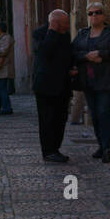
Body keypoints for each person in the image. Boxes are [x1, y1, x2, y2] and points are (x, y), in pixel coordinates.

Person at [73, 2, 110, 161]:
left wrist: (101, 54)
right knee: (94, 114)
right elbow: (73, 52)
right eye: (91, 13)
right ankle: (101, 146)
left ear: (104, 15)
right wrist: (86, 56)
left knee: (104, 113)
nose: (94, 16)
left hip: (106, 79)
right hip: (88, 80)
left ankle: (107, 148)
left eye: (98, 12)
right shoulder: (82, 33)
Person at [32, 9, 74, 163]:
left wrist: (72, 67)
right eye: (64, 24)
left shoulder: (66, 35)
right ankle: (48, 151)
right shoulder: (40, 33)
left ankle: (56, 148)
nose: (67, 26)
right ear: (55, 23)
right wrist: (52, 31)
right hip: (45, 85)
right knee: (47, 120)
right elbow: (44, 52)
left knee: (60, 119)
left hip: (63, 84)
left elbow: (68, 54)